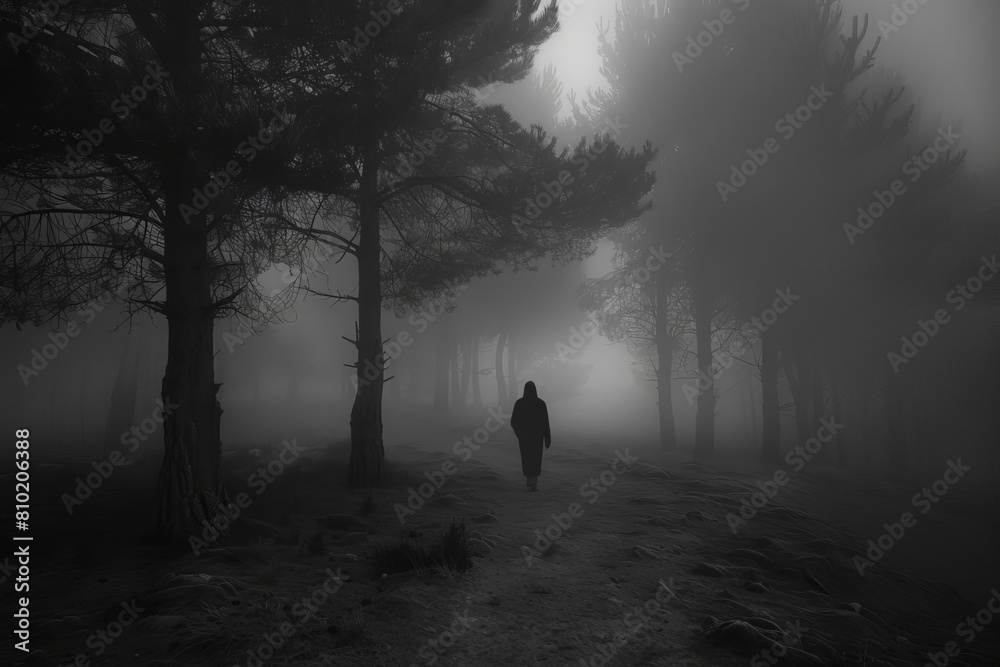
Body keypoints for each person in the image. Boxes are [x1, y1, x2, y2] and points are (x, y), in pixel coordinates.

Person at [510, 381, 551, 491]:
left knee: (527, 457)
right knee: (536, 458)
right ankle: (534, 480)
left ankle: (529, 477)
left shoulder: (519, 403)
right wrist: (547, 438)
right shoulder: (541, 403)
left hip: (525, 437)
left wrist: (519, 434)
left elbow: (513, 421)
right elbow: (545, 423)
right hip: (537, 437)